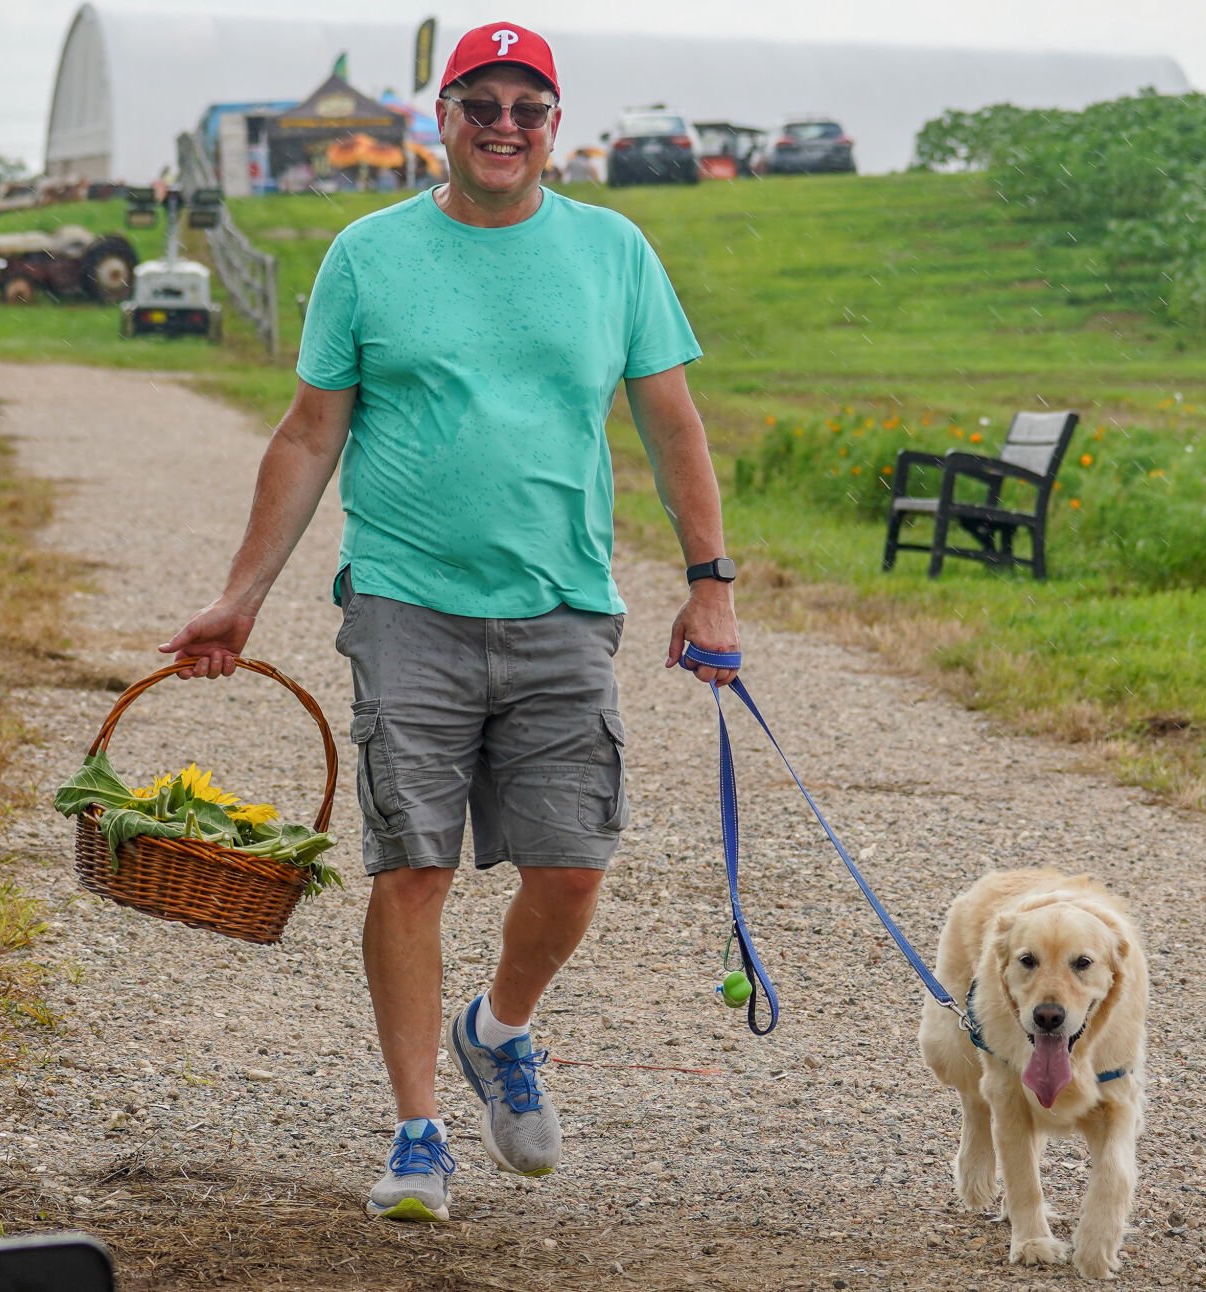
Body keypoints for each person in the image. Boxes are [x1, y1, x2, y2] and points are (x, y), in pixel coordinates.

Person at [159, 20, 739, 1223]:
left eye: (528, 108)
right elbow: (308, 433)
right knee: (412, 865)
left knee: (572, 869)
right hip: (404, 601)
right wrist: (241, 594)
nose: (504, 127)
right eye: (483, 104)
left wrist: (711, 580)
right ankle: (419, 1131)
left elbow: (673, 422)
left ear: (554, 127)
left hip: (563, 602)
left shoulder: (613, 250)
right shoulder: (368, 254)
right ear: (444, 117)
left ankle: (500, 1027)